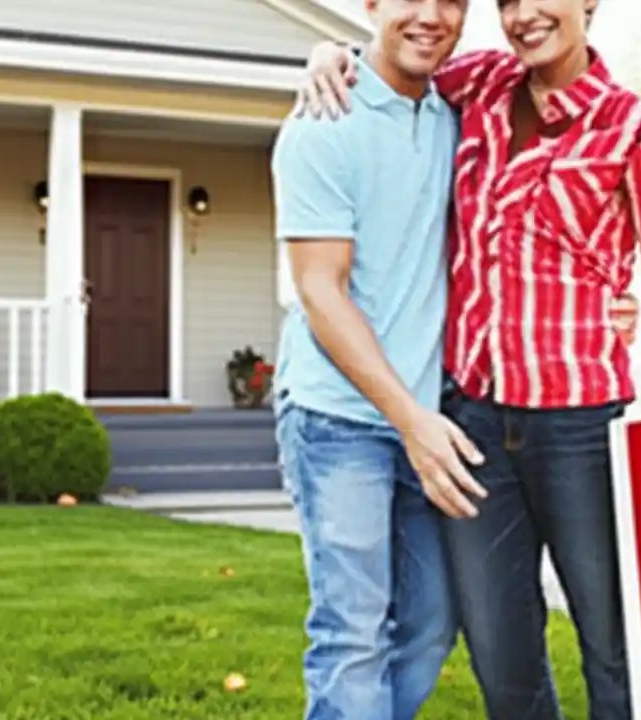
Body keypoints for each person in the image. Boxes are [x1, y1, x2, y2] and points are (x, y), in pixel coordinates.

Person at [293, 1, 641, 719]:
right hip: (473, 426)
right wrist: (326, 52)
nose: (523, 15)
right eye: (507, 0)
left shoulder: (639, 130)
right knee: (501, 652)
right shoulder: (483, 86)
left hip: (582, 428)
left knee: (613, 644)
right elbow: (398, 59)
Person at [269, 2, 482, 718]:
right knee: (352, 635)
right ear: (370, 5)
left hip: (427, 415)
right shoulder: (324, 123)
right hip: (338, 420)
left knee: (430, 623)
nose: (430, 16)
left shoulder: (459, 111)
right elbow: (319, 291)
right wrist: (409, 421)